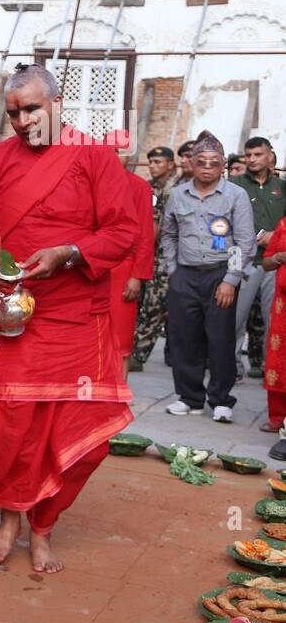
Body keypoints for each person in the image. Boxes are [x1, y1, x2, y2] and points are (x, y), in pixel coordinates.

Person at [0, 63, 139, 573]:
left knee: (71, 430)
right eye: (13, 112)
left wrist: (71, 251)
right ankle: (10, 516)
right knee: (4, 425)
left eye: (32, 108)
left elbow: (124, 232)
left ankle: (41, 526)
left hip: (75, 316)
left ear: (57, 104)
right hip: (14, 315)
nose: (23, 120)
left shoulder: (95, 157)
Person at [161, 132, 254, 422]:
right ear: (191, 162)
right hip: (185, 276)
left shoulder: (235, 195)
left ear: (222, 165)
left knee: (221, 338)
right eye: (200, 161)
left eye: (213, 163)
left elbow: (245, 240)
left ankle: (221, 400)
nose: (206, 167)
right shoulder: (178, 194)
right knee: (184, 338)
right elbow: (169, 234)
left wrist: (231, 280)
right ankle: (189, 398)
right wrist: (173, 269)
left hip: (219, 275)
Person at [230, 136, 283, 379]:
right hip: (243, 259)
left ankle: (269, 368)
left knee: (274, 319)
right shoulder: (235, 185)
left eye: (257, 154)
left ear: (269, 155)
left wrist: (274, 235)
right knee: (236, 317)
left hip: (275, 263)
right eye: (248, 155)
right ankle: (232, 368)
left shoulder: (281, 187)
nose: (252, 159)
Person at [129, 146, 181, 371]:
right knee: (144, 304)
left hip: (169, 256)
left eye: (158, 162)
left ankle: (139, 355)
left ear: (171, 164)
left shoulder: (180, 189)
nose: (152, 166)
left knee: (155, 305)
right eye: (150, 162)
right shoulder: (147, 188)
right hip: (146, 253)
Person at [107, 135, 155, 377]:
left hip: (123, 269)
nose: (116, 157)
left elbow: (146, 234)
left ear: (132, 158)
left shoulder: (139, 187)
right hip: (91, 268)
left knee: (120, 334)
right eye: (111, 151)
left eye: (121, 152)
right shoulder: (88, 181)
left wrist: (137, 276)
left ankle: (118, 389)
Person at [260, 218, 286, 434]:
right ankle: (277, 416)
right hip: (282, 305)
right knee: (277, 359)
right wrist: (279, 257)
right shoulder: (284, 225)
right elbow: (266, 262)